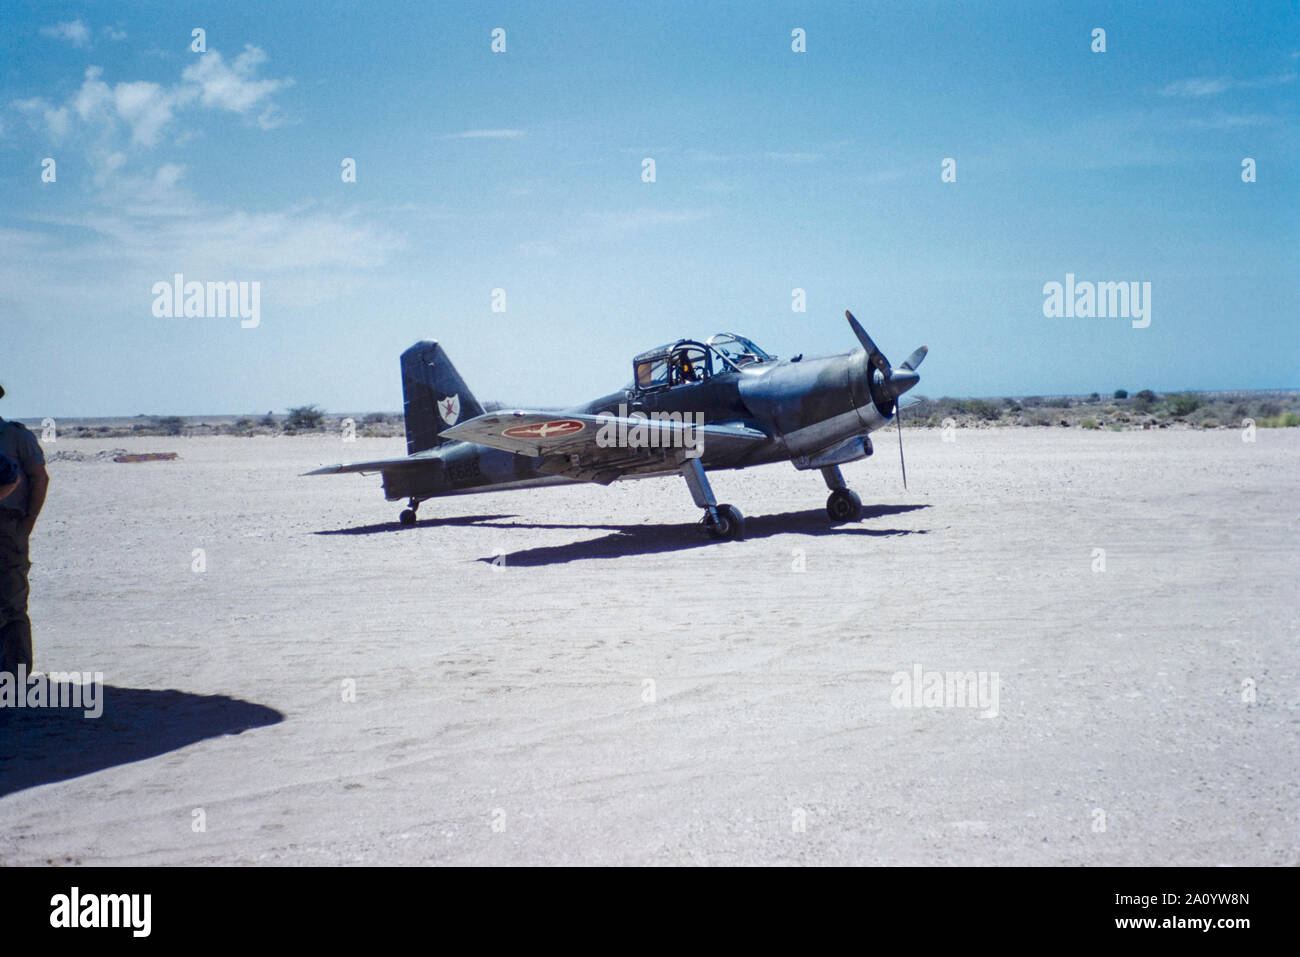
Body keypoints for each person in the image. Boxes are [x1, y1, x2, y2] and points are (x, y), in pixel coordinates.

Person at [0, 383, 49, 677]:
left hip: (7, 527)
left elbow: (40, 478)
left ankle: (15, 675)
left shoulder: (17, 437)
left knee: (11, 600)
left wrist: (28, 523)